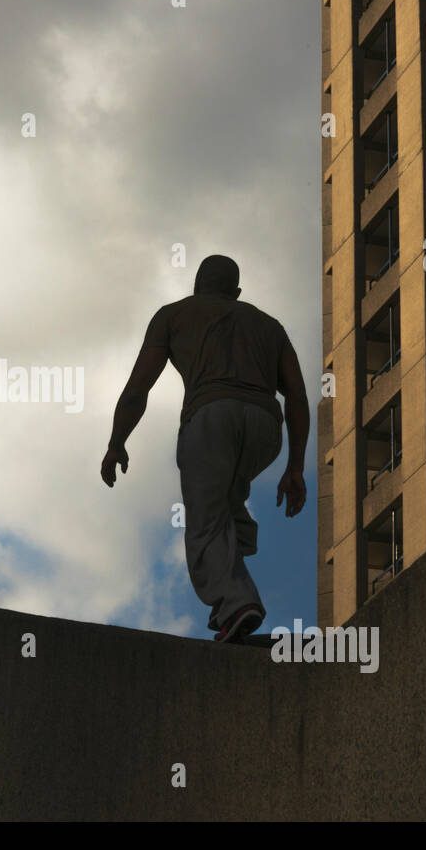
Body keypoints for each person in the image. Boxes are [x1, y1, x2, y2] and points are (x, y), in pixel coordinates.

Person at [100, 255, 309, 644]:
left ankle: (235, 602)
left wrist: (117, 442)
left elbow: (137, 390)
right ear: (237, 292)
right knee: (225, 501)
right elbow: (296, 395)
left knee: (204, 518)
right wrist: (295, 466)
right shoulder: (269, 325)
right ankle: (234, 563)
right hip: (265, 426)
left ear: (197, 286)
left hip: (210, 416)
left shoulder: (174, 314)